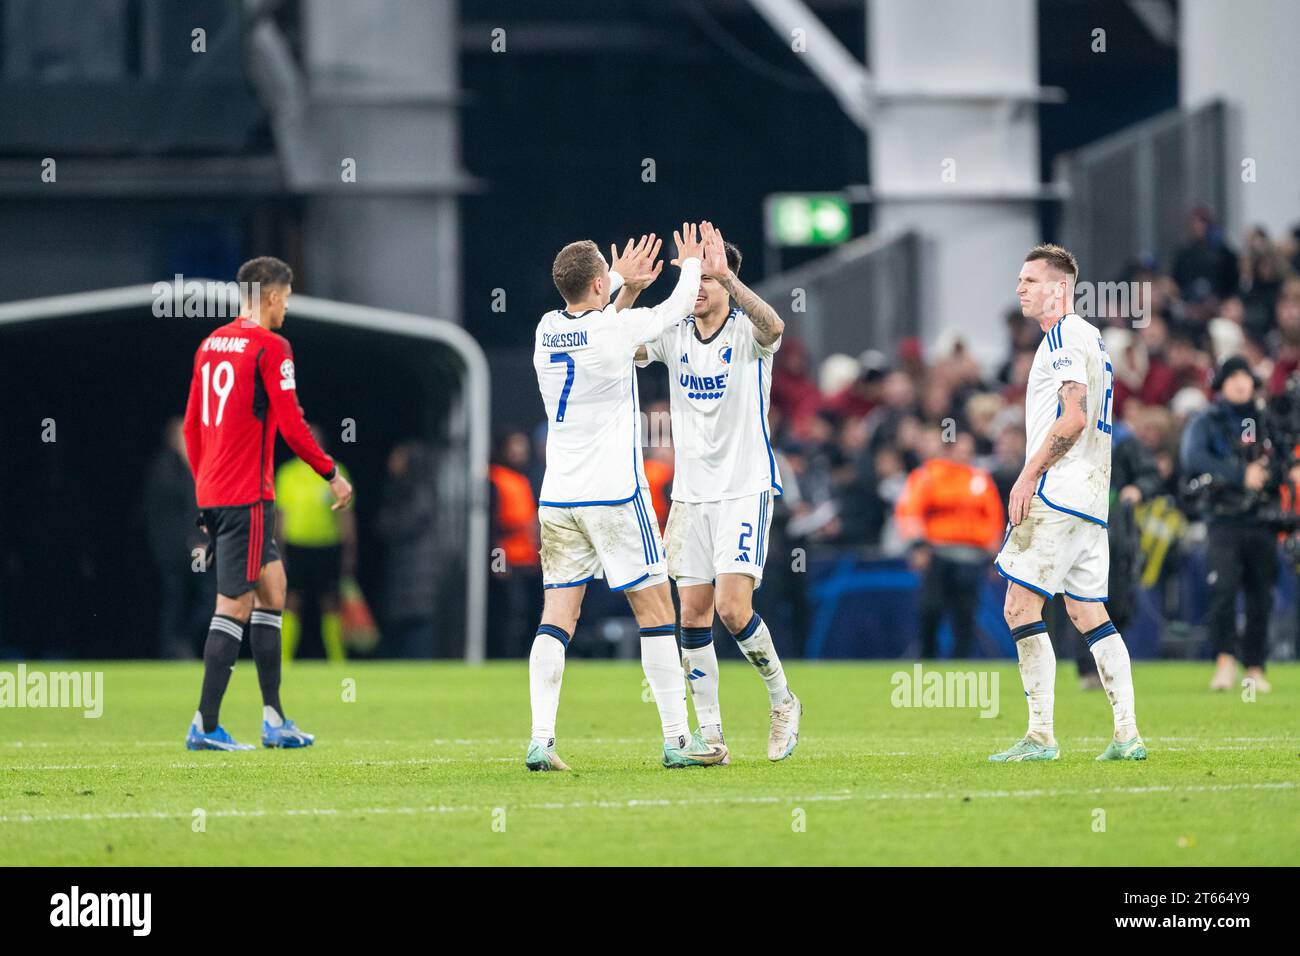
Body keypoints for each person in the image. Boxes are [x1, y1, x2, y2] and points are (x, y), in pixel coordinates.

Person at [527, 224, 727, 771]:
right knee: (657, 610)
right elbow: (681, 305)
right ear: (598, 285)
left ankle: (541, 740)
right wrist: (689, 262)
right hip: (613, 493)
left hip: (558, 497)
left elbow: (594, 311)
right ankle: (676, 739)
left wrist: (622, 279)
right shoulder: (616, 332)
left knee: (557, 615)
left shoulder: (547, 328)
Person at [632, 232, 802, 761]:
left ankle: (782, 698)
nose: (699, 287)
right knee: (693, 615)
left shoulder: (747, 331)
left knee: (733, 609)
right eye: (693, 276)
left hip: (743, 489)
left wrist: (726, 274)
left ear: (727, 280)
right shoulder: (674, 332)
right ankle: (710, 733)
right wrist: (629, 291)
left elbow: (776, 326)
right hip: (690, 496)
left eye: (707, 277)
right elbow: (617, 344)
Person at [181, 256, 352, 750]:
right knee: (234, 603)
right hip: (247, 495)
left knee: (273, 589)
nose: (288, 307)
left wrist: (203, 486)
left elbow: (192, 426)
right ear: (274, 295)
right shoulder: (271, 347)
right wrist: (331, 474)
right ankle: (205, 725)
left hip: (216, 490)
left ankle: (274, 718)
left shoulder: (210, 344)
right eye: (288, 297)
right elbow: (293, 424)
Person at [991, 243, 1146, 762]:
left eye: (1031, 280)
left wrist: (1027, 475)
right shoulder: (1093, 338)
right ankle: (1127, 735)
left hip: (1058, 492)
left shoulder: (1062, 335)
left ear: (1059, 289)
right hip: (1091, 498)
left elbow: (1074, 416)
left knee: (1019, 606)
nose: (1020, 288)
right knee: (1087, 612)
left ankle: (1040, 737)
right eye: (1020, 279)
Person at [1178, 355, 1278, 693]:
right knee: (1222, 591)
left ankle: (1255, 669)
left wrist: (1276, 473)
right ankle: (1224, 661)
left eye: (1245, 375)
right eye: (1232, 376)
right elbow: (1193, 458)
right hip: (1223, 519)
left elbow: (1283, 457)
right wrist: (1240, 476)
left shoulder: (1266, 420)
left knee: (1259, 597)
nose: (1240, 382)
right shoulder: (1206, 421)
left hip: (1263, 519)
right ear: (1221, 384)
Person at [895, 429, 1005, 659]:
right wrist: (918, 546)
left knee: (965, 615)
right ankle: (927, 658)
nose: (966, 454)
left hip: (971, 557)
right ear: (949, 450)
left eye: (969, 450)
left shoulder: (979, 479)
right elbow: (911, 511)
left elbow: (993, 517)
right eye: (962, 449)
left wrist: (995, 555)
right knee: (931, 609)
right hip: (938, 554)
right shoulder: (929, 475)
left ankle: (960, 662)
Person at [275, 424, 355, 662]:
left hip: (327, 547)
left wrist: (349, 551)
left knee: (330, 603)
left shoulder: (336, 473)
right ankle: (284, 660)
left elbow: (345, 516)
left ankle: (338, 661)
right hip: (296, 547)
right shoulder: (287, 474)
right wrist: (277, 552)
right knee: (291, 602)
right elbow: (280, 516)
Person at [144, 417, 216, 659]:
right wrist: (191, 539)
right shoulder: (164, 469)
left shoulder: (201, 467)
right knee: (174, 601)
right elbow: (169, 515)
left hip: (199, 549)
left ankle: (185, 640)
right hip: (173, 551)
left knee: (210, 600)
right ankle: (171, 651)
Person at [375, 441, 440, 657]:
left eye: (398, 458)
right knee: (404, 624)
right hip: (406, 571)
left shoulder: (420, 491)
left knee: (418, 626)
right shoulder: (400, 490)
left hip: (419, 571)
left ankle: (420, 665)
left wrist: (388, 522)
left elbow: (403, 525)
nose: (391, 463)